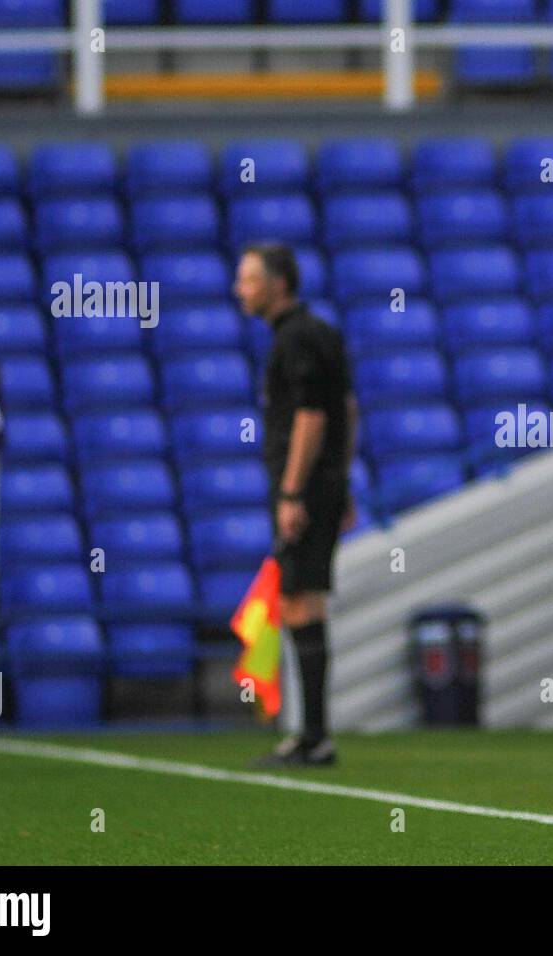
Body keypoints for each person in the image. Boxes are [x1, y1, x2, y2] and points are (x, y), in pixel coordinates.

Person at [233, 242, 358, 767]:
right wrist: (341, 481)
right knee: (294, 600)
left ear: (277, 284)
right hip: (322, 483)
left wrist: (292, 491)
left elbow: (312, 416)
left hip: (303, 487)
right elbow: (347, 409)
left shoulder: (294, 340)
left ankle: (314, 737)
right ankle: (311, 734)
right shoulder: (320, 332)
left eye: (249, 280)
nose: (241, 290)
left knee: (302, 600)